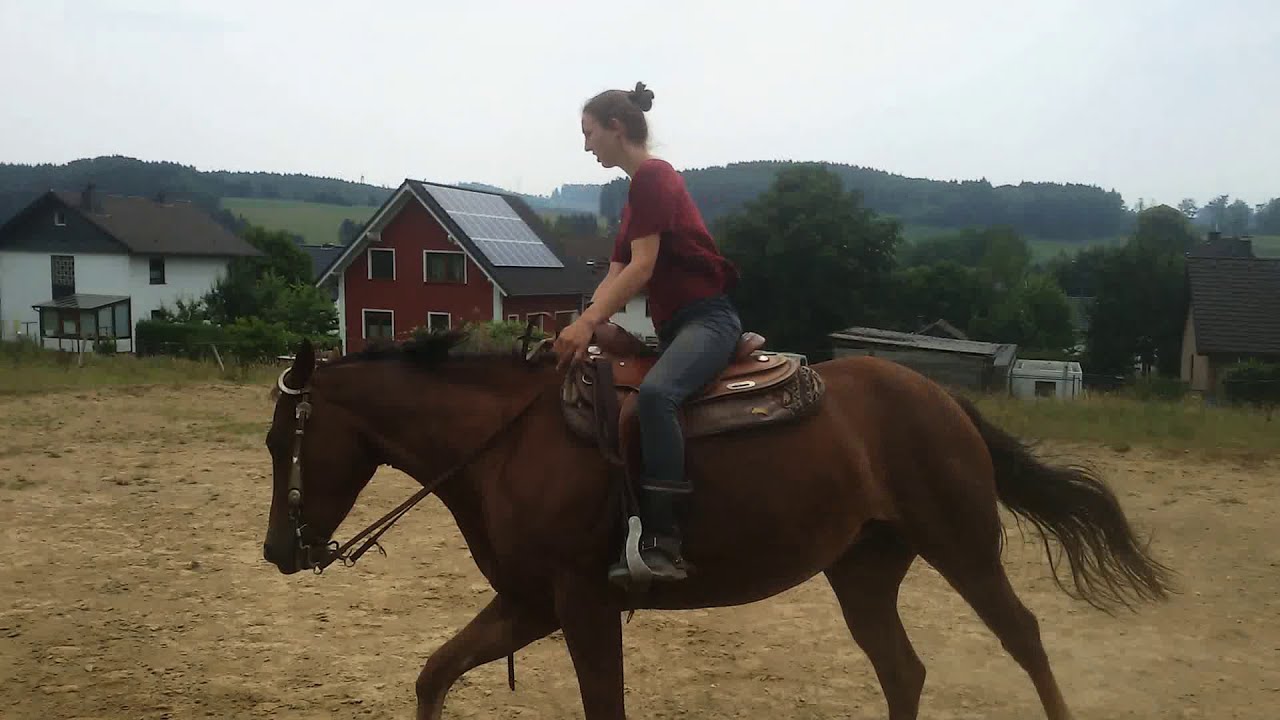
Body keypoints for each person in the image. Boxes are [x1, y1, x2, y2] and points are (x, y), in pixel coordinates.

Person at [554, 82, 743, 583]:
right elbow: (615, 272)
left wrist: (589, 322)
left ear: (616, 128)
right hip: (678, 325)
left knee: (657, 396)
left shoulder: (654, 179)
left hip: (708, 319)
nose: (586, 145)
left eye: (589, 133)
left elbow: (642, 269)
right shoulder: (635, 196)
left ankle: (664, 538)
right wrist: (587, 324)